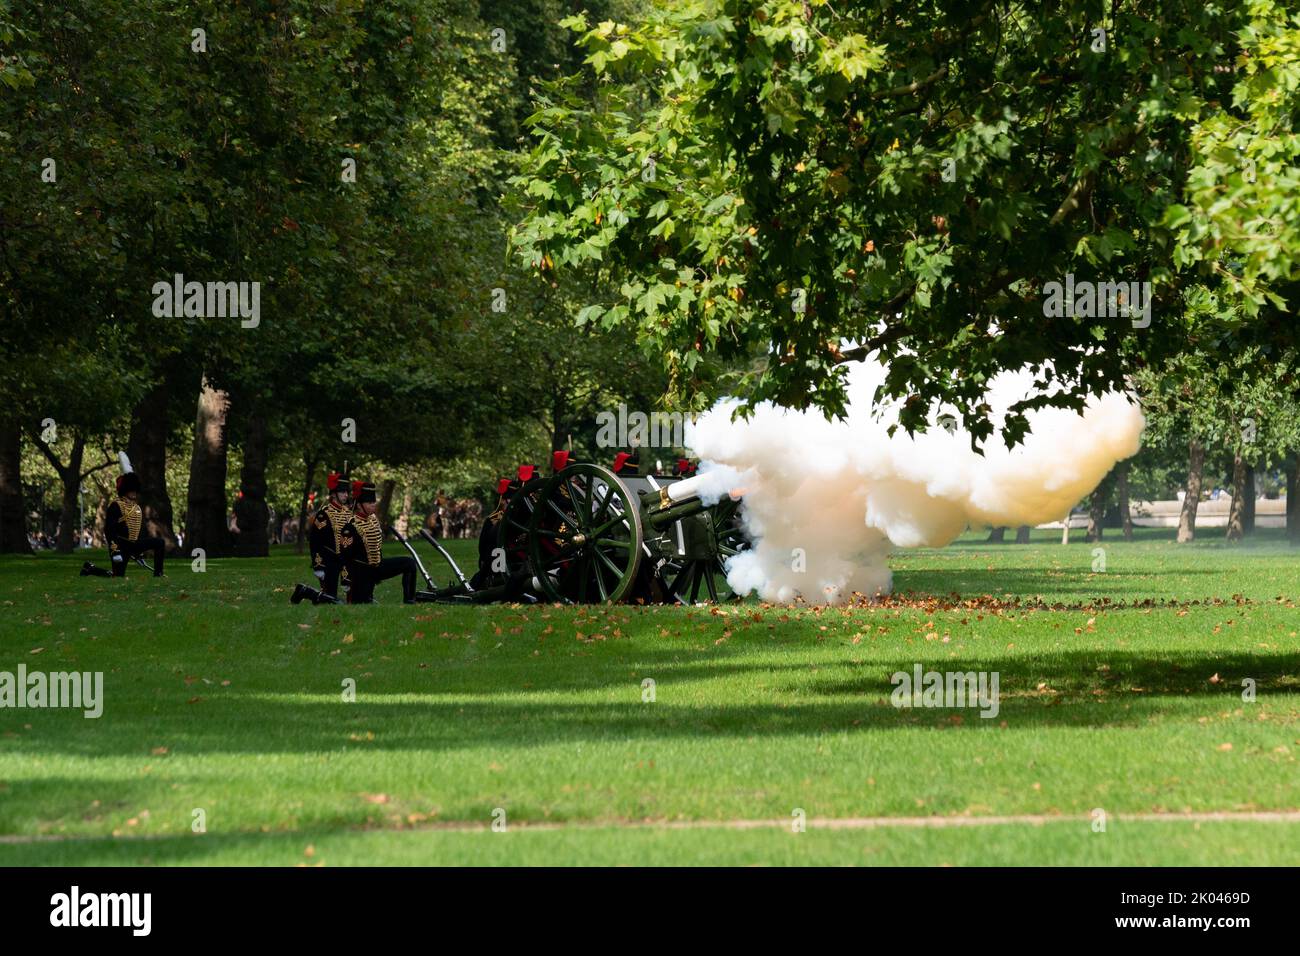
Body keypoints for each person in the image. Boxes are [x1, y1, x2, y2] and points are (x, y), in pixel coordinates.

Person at [339, 481, 417, 604]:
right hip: (361, 573)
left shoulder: (374, 520)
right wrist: (345, 579)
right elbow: (344, 557)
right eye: (369, 503)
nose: (373, 505)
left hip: (377, 566)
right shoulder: (350, 527)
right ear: (359, 505)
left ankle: (409, 600)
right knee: (362, 604)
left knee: (409, 563)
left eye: (374, 502)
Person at [80, 472, 165, 578]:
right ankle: (90, 569)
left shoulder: (136, 507)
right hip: (121, 544)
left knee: (159, 543)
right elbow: (109, 530)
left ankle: (159, 573)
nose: (134, 493)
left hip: (134, 543)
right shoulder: (115, 505)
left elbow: (138, 530)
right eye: (131, 490)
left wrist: (139, 553)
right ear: (125, 490)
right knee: (118, 576)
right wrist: (115, 551)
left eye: (135, 490)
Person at [291, 471, 351, 605]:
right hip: (329, 561)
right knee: (329, 600)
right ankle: (305, 591)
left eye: (347, 492)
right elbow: (315, 542)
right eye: (342, 492)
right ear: (334, 493)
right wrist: (318, 565)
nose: (346, 495)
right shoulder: (324, 514)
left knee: (354, 597)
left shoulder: (348, 513)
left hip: (345, 561)